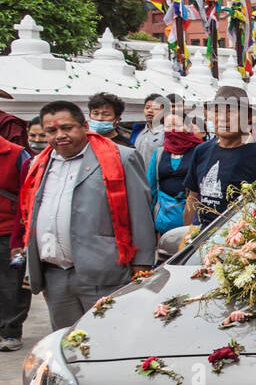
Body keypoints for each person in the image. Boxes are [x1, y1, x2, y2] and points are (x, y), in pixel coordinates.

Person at [15, 101, 156, 330]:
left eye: (67, 128)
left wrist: (141, 267)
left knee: (109, 340)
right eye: (52, 131)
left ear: (84, 126)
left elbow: (140, 214)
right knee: (67, 347)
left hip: (104, 274)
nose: (60, 135)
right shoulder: (38, 164)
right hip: (55, 276)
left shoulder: (121, 158)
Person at [185, 88, 256, 228]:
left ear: (248, 116)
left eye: (231, 111)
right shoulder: (202, 151)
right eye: (217, 111)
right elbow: (193, 197)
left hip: (239, 240)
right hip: (201, 237)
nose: (223, 118)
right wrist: (188, 239)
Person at [146, 101, 204, 235]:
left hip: (191, 216)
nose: (173, 130)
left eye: (177, 125)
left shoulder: (199, 150)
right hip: (164, 215)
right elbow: (151, 186)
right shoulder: (159, 153)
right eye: (168, 126)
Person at [0, 129, 31, 350]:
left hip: (9, 230)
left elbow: (29, 192)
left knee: (12, 283)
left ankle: (11, 331)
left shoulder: (17, 153)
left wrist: (22, 235)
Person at [133, 94, 168, 164]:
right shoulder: (137, 132)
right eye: (147, 107)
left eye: (155, 108)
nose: (150, 111)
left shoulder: (166, 134)